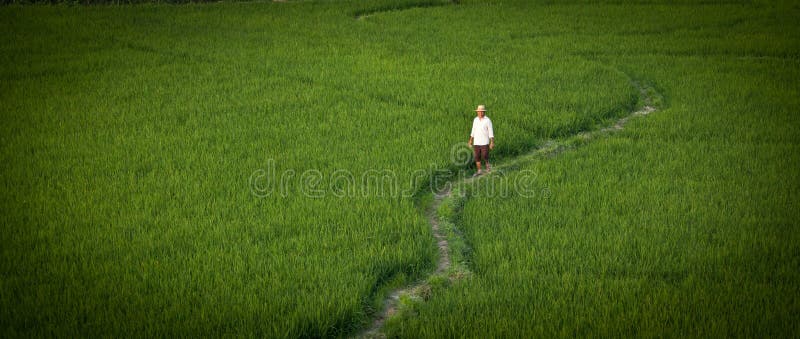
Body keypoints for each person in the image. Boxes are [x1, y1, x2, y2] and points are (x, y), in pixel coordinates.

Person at [468, 104, 494, 177]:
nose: (480, 113)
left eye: (482, 111)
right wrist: (470, 140)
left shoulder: (488, 120)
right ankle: (479, 171)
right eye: (479, 111)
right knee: (477, 157)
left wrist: (492, 142)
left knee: (485, 155)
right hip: (476, 142)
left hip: (485, 142)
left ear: (484, 112)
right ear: (477, 112)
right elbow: (473, 130)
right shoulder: (475, 120)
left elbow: (491, 132)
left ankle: (488, 166)